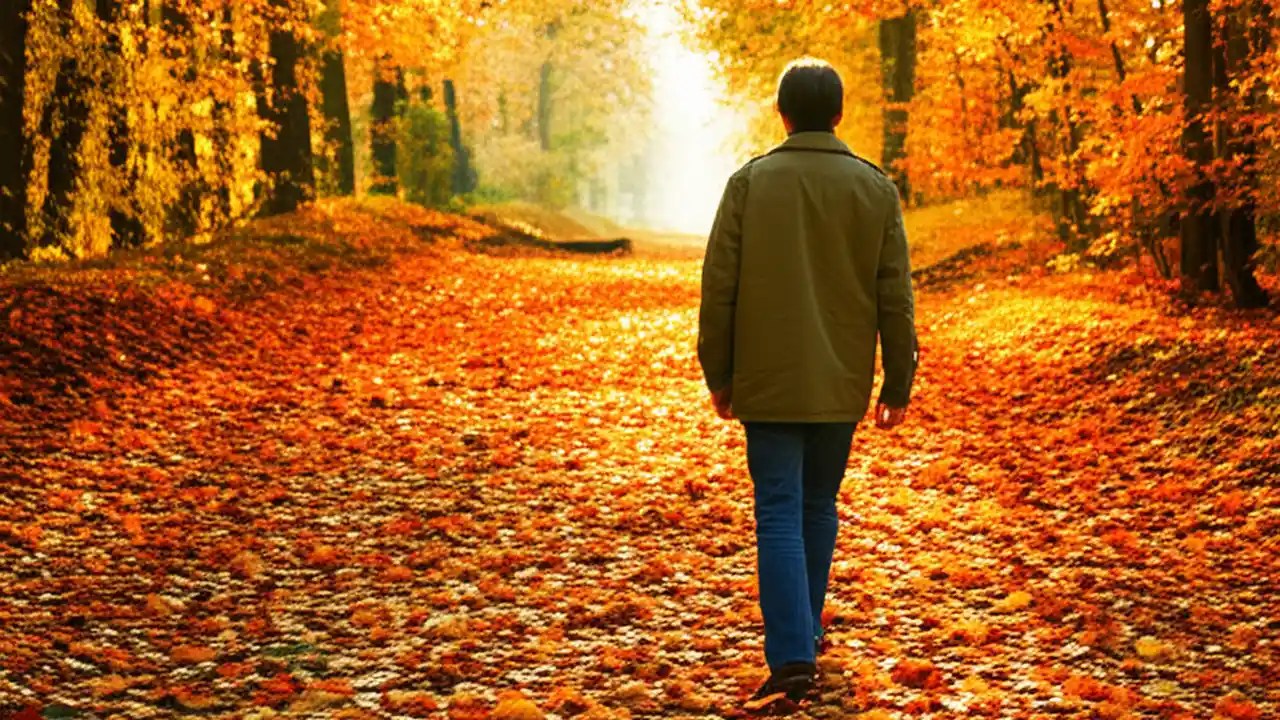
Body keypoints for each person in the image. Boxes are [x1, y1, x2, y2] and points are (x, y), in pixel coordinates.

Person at [697, 57, 918, 715]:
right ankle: (804, 633)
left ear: (783, 113)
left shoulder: (749, 184)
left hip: (766, 379)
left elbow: (719, 289)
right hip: (839, 381)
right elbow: (895, 297)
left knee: (779, 507)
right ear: (839, 114)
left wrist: (720, 373)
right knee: (818, 503)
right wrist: (897, 383)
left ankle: (793, 653)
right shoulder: (875, 190)